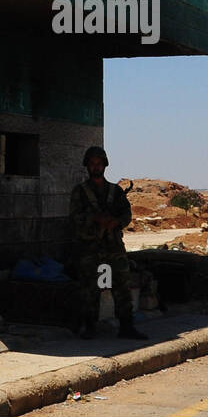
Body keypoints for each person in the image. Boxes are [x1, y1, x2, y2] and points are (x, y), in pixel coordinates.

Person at [68, 146, 147, 340]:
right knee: (89, 288)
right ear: (87, 166)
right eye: (93, 164)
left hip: (113, 247)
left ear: (105, 165)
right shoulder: (80, 192)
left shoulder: (115, 191)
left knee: (122, 285)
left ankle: (126, 326)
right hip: (91, 247)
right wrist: (95, 219)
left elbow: (126, 214)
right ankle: (89, 327)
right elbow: (74, 218)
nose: (96, 167)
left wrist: (116, 222)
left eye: (99, 164)